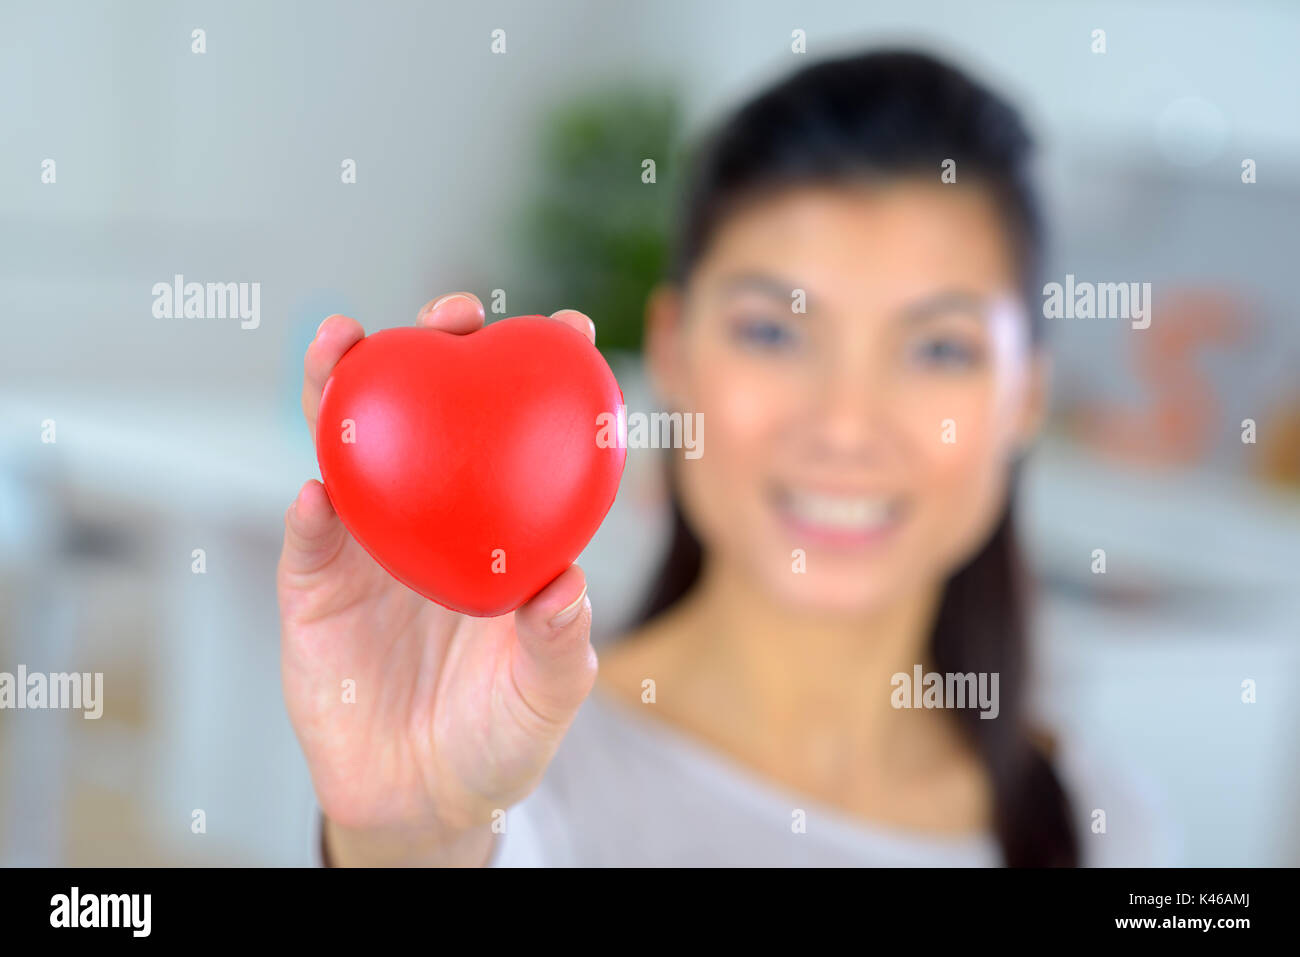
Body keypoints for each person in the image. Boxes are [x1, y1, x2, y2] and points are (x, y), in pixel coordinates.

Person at [278, 49, 1173, 867]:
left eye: (938, 348)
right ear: (672, 355)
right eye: (773, 331)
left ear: (1025, 399)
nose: (846, 424)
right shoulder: (507, 791)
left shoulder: (1105, 827)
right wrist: (409, 838)